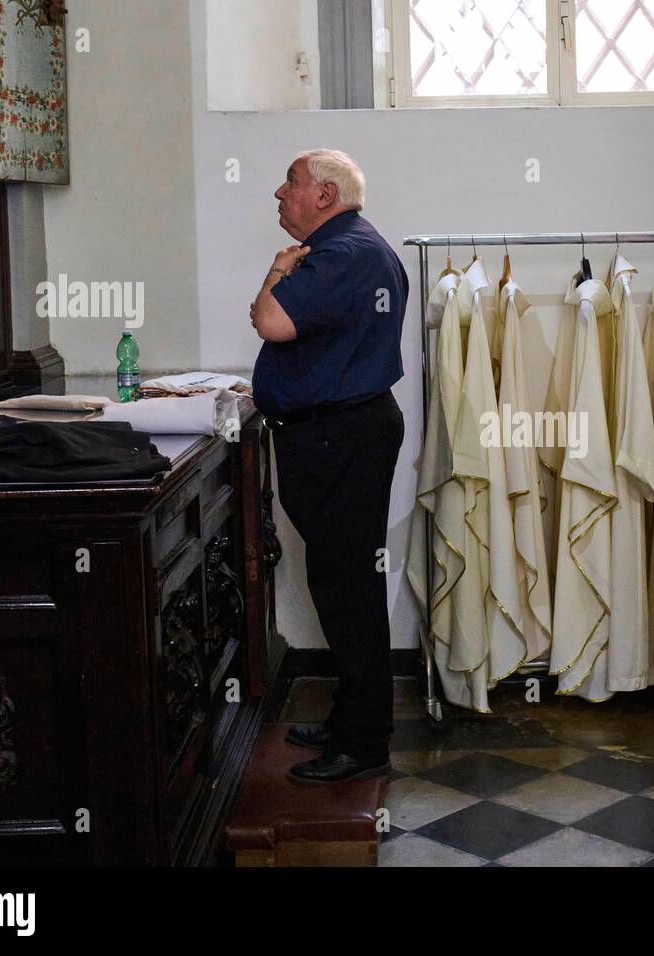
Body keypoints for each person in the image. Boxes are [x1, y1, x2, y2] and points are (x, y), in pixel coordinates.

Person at [250, 148, 407, 783]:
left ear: (326, 195)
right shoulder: (354, 248)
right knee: (342, 585)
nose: (278, 193)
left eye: (291, 183)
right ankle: (351, 721)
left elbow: (270, 321)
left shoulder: (343, 253)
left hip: (339, 440)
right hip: (338, 437)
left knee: (348, 591)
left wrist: (274, 271)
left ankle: (364, 743)